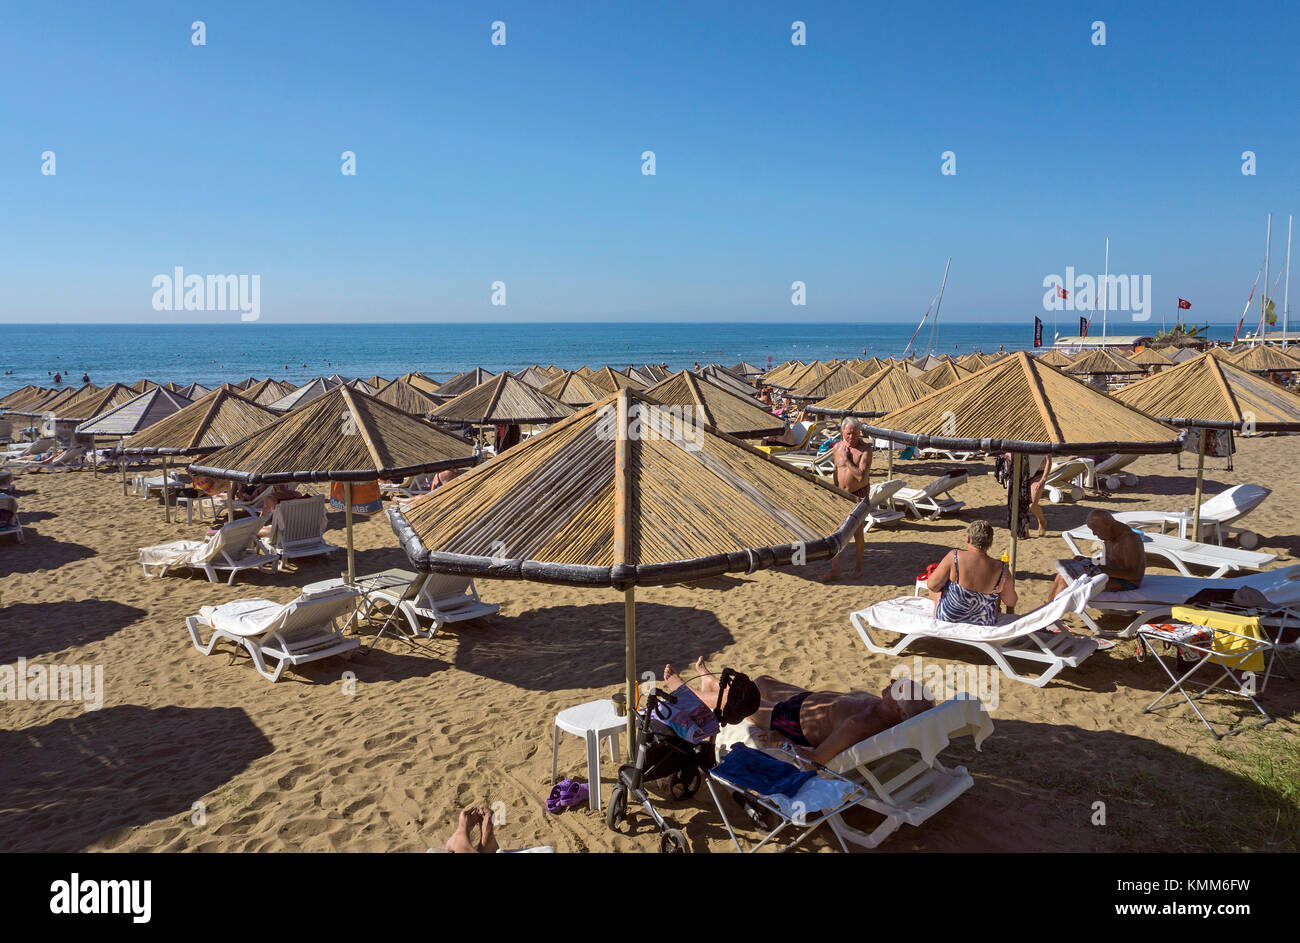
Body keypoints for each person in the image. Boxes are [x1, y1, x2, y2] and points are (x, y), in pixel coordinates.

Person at [668, 658, 933, 767]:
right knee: (761, 682)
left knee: (737, 701)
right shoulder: (886, 710)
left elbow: (816, 760)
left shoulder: (860, 725)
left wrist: (781, 741)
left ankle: (686, 693)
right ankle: (711, 682)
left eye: (896, 688)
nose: (890, 683)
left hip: (791, 721)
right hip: (807, 702)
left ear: (898, 709)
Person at [925, 520, 1016, 625]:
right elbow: (1011, 601)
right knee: (995, 594)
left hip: (950, 617)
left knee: (936, 588)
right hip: (984, 621)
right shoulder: (1002, 568)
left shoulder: (954, 556)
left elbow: (932, 585)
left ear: (968, 538)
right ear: (990, 542)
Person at [1049, 508, 1146, 599]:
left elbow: (1134, 575)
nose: (1094, 534)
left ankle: (1049, 614)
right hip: (1110, 575)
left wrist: (1100, 570)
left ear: (1108, 525)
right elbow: (1109, 561)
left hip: (1126, 583)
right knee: (1062, 575)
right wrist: (1087, 560)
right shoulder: (1109, 536)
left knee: (1066, 579)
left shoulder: (1130, 540)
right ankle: (1048, 610)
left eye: (1096, 530)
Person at [825, 418, 872, 580]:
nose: (852, 436)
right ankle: (835, 568)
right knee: (835, 532)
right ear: (843, 432)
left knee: (857, 533)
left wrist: (847, 460)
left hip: (857, 496)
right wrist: (834, 490)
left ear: (860, 432)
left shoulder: (865, 450)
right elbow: (835, 470)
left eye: (855, 433)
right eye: (849, 433)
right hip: (841, 495)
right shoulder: (837, 447)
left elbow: (861, 477)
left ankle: (858, 568)